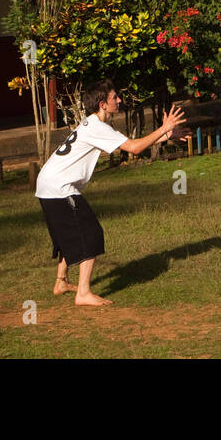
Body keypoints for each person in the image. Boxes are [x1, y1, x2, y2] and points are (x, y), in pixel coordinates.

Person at [35, 79, 186, 306]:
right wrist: (163, 128)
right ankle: (83, 293)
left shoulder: (93, 124)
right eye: (115, 97)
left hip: (48, 184)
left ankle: (61, 282)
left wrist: (166, 137)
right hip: (59, 187)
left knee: (69, 234)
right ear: (103, 104)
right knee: (90, 234)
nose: (119, 100)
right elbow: (135, 148)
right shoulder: (97, 127)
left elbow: (133, 146)